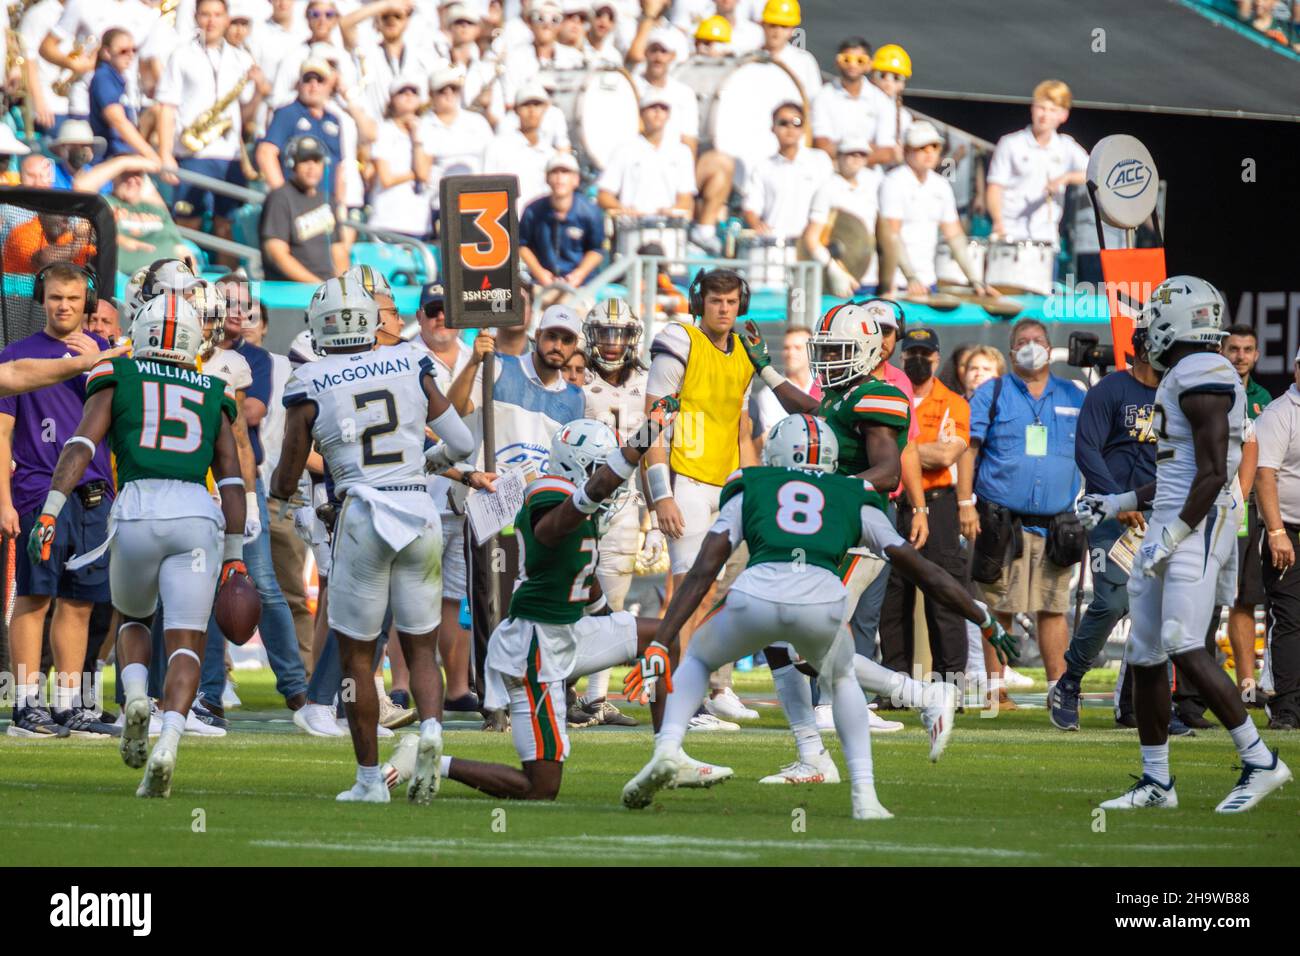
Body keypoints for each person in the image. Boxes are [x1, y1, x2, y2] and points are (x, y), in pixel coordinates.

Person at [622, 413, 1016, 816]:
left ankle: (668, 748)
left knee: (701, 657)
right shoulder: (852, 494)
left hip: (756, 595)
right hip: (822, 604)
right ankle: (864, 795)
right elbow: (922, 569)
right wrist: (980, 616)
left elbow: (705, 567)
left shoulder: (750, 483)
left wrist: (659, 641)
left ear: (774, 451)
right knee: (840, 675)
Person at [435, 411, 731, 799]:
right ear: (577, 466)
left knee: (661, 636)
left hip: (570, 633)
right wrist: (645, 436)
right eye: (599, 467)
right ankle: (435, 762)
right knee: (541, 788)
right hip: (534, 648)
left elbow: (587, 586)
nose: (611, 480)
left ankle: (667, 754)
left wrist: (617, 633)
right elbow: (557, 524)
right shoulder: (548, 493)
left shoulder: (582, 510)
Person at [1079, 277, 1292, 813]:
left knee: (1179, 639)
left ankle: (1261, 760)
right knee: (1146, 651)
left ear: (1182, 319)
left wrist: (1173, 534)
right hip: (1176, 518)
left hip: (1197, 524)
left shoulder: (1203, 371)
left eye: (1155, 314)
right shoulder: (1187, 373)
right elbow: (1178, 470)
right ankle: (1157, 782)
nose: (1147, 324)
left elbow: (1214, 470)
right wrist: (1119, 499)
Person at [271, 275, 479, 803]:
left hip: (363, 513)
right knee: (421, 643)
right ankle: (431, 733)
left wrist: (285, 493)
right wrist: (423, 464)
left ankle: (369, 782)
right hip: (417, 509)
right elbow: (459, 442)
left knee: (358, 659)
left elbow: (286, 475)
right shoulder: (411, 360)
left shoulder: (310, 379)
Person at [27, 294, 245, 794]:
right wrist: (234, 555)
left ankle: (136, 697)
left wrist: (52, 508)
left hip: (138, 509)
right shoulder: (214, 387)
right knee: (188, 639)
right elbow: (231, 480)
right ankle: (168, 738)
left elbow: (82, 443)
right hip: (196, 512)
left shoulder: (118, 373)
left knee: (132, 618)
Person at [746, 304, 955, 779]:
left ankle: (922, 696)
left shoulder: (880, 395)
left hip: (856, 532)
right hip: (828, 530)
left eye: (838, 350)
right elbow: (813, 412)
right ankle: (812, 755)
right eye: (825, 351)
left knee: (803, 642)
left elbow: (885, 472)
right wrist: (767, 370)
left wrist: (829, 491)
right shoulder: (844, 395)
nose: (829, 360)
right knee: (781, 640)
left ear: (864, 351)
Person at [445, 300, 586, 716]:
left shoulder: (575, 398)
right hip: (490, 502)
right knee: (491, 604)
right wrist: (473, 362)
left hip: (541, 513)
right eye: (551, 336)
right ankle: (494, 701)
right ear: (538, 335)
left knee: (536, 603)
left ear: (575, 346)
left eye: (566, 339)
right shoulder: (499, 367)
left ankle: (539, 691)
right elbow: (453, 412)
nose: (557, 346)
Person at [0, 264, 117, 739]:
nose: (63, 306)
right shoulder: (17, 353)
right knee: (34, 596)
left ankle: (70, 705)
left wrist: (102, 358)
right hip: (36, 491)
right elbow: (2, 435)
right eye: (54, 298)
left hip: (95, 495)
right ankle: (26, 703)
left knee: (80, 602)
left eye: (71, 298)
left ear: (86, 302)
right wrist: (4, 501)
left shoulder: (108, 354)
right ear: (41, 299)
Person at [642, 269, 758, 728]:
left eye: (731, 301)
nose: (724, 309)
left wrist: (750, 482)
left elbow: (742, 425)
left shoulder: (746, 350)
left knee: (716, 592)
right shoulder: (681, 341)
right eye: (716, 301)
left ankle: (707, 688)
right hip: (686, 478)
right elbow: (654, 419)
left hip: (727, 482)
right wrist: (661, 494)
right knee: (686, 590)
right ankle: (679, 698)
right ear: (700, 302)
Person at [958, 318, 1083, 704]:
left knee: (1053, 607)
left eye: (1038, 340)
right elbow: (968, 449)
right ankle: (996, 690)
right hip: (1001, 520)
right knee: (999, 606)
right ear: (1011, 352)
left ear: (1050, 347)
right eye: (1023, 341)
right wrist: (966, 504)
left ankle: (1056, 690)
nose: (1031, 346)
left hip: (1057, 522)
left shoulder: (1074, 395)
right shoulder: (991, 393)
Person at [1050, 323, 1160, 732]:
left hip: (1159, 515)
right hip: (1107, 511)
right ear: (1142, 348)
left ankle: (1141, 703)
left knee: (1159, 612)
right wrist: (1118, 500)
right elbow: (1086, 449)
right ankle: (1069, 682)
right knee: (1112, 603)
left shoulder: (1178, 394)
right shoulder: (1110, 391)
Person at [571, 298, 657, 727]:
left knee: (613, 597)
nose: (611, 342)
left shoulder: (648, 382)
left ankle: (597, 697)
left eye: (619, 333)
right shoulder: (577, 379)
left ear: (633, 336)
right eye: (604, 333)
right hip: (580, 494)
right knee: (573, 592)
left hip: (625, 500)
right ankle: (564, 689)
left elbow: (658, 448)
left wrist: (655, 515)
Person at [878, 327, 971, 686]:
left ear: (936, 357)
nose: (918, 360)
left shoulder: (953, 401)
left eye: (925, 353)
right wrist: (921, 451)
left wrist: (902, 449)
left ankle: (951, 685)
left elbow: (951, 452)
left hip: (938, 503)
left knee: (944, 596)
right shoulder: (892, 394)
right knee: (892, 599)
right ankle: (895, 684)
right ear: (901, 357)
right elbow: (936, 450)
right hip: (896, 503)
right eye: (911, 353)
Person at [155, 0, 264, 256]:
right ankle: (182, 282)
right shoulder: (181, 54)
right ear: (195, 17)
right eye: (205, 14)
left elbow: (244, 112)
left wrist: (259, 91)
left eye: (217, 15)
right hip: (193, 155)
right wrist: (165, 153)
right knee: (187, 223)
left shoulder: (241, 57)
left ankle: (229, 290)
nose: (211, 21)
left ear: (227, 18)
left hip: (230, 156)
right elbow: (166, 107)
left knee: (227, 227)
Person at [1221, 323, 1272, 704]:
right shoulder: (1210, 390)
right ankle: (1193, 689)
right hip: (1209, 504)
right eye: (1233, 348)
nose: (1240, 355)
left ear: (1257, 355)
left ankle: (1246, 683)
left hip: (1249, 510)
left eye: (1247, 349)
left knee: (1244, 599)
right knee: (1203, 601)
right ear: (1222, 352)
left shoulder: (1264, 399)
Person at [879, 121, 989, 298]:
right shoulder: (893, 182)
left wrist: (975, 279)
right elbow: (891, 235)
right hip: (898, 284)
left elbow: (954, 235)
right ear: (907, 151)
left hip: (928, 283)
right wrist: (910, 277)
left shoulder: (941, 185)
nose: (929, 152)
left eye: (935, 146)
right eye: (922, 147)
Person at [1254, 351, 1300, 730]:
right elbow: (1263, 475)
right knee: (1288, 620)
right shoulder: (1280, 413)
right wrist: (1276, 531)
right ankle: (1285, 706)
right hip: (1289, 532)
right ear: (1297, 369)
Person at [986, 80, 1088, 245]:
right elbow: (995, 187)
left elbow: (1093, 172)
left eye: (1052, 110)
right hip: (1010, 235)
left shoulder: (1066, 146)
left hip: (1047, 238)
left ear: (1063, 115)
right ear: (1032, 108)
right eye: (1041, 108)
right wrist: (998, 222)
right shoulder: (1010, 143)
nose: (1045, 115)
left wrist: (1066, 178)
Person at [75, 154, 192, 275]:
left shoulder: (155, 208)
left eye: (137, 175)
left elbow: (180, 248)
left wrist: (193, 278)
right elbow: (81, 186)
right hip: (123, 280)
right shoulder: (105, 204)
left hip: (169, 280)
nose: (132, 180)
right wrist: (123, 162)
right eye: (126, 174)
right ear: (114, 177)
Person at [597, 89, 696, 218]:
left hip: (669, 228)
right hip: (632, 227)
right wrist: (622, 209)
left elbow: (686, 199)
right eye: (652, 107)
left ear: (669, 115)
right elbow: (604, 195)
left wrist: (672, 210)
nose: (658, 112)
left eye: (663, 108)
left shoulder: (682, 152)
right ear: (641, 113)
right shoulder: (624, 150)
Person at [742, 101, 833, 240]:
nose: (790, 127)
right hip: (774, 246)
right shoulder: (763, 167)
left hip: (810, 247)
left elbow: (829, 203)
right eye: (783, 122)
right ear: (773, 128)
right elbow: (751, 206)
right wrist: (756, 224)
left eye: (796, 122)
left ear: (803, 128)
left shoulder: (820, 160)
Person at [259, 134, 341, 282]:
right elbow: (277, 254)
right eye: (304, 161)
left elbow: (338, 249)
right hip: (293, 290)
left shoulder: (328, 199)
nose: (312, 167)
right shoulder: (279, 198)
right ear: (292, 164)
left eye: (316, 161)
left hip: (326, 289)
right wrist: (317, 286)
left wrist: (343, 286)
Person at [802, 136, 876, 297]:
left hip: (870, 279)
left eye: (862, 154)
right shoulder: (827, 189)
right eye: (851, 154)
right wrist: (833, 269)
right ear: (839, 156)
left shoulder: (870, 188)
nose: (857, 159)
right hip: (841, 282)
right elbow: (811, 238)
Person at [519, 152, 605, 289]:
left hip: (582, 286)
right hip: (542, 284)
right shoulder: (533, 210)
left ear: (576, 179)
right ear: (547, 178)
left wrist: (579, 274)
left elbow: (596, 250)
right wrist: (540, 273)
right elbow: (522, 245)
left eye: (565, 172)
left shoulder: (590, 212)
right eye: (554, 172)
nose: (559, 178)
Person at [367, 75, 433, 238]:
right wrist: (414, 173)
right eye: (403, 92)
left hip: (419, 221)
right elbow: (386, 179)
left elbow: (424, 174)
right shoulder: (383, 130)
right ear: (392, 99)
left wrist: (416, 137)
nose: (409, 96)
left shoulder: (426, 129)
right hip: (386, 220)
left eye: (414, 92)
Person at [811, 37, 897, 162]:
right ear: (837, 62)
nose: (853, 65)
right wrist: (867, 150)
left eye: (860, 60)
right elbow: (822, 145)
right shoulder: (823, 97)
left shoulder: (882, 101)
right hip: (831, 174)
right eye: (846, 59)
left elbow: (887, 152)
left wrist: (848, 157)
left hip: (871, 177)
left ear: (869, 65)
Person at [88, 28, 161, 163]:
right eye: (123, 51)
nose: (130, 55)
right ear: (107, 52)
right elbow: (118, 121)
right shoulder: (104, 77)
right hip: (112, 157)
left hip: (126, 153)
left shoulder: (119, 77)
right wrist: (149, 154)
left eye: (133, 50)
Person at [482, 80, 557, 211]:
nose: (532, 110)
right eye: (526, 105)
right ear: (516, 110)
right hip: (507, 224)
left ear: (545, 109)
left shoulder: (551, 154)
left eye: (537, 104)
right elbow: (485, 191)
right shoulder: (497, 147)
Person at [632, 27, 699, 154]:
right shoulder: (631, 86)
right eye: (654, 50)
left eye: (664, 52)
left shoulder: (685, 94)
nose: (658, 57)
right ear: (645, 53)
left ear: (672, 56)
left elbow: (689, 142)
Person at [755, 0, 819, 99]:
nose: (777, 32)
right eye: (773, 25)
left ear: (793, 29)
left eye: (784, 26)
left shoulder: (804, 61)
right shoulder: (748, 59)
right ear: (762, 24)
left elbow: (813, 102)